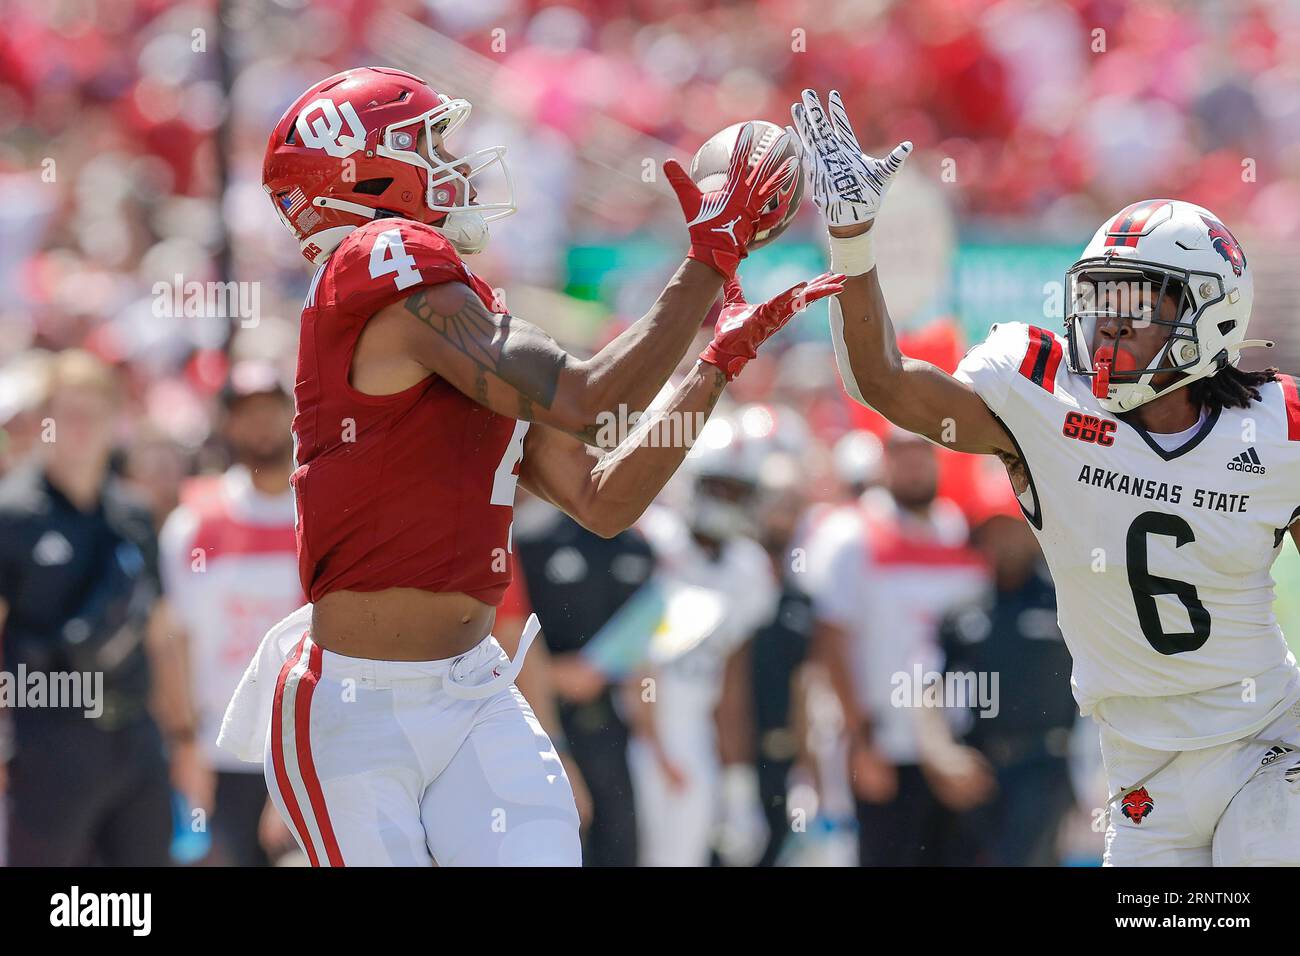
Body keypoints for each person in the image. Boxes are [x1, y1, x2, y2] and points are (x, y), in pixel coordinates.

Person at [217, 66, 841, 866]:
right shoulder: (380, 258)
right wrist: (707, 263)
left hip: (474, 687)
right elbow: (586, 397)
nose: (453, 160)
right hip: (354, 704)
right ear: (363, 172)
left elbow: (601, 499)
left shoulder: (458, 310)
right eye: (427, 143)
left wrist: (715, 363)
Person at [793, 88, 1300, 866]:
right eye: (1099, 301)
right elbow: (883, 384)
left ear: (1213, 314)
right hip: (1142, 775)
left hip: (1266, 741)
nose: (1108, 327)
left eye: (1136, 307)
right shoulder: (1042, 396)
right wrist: (854, 242)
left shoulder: (1277, 426)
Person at [0, 350, 195, 865]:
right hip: (48, 744)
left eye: (95, 413)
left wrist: (184, 740)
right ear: (44, 421)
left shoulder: (133, 514)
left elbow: (161, 634)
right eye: (68, 414)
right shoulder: (11, 515)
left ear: (115, 421)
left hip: (136, 743)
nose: (82, 428)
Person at [807, 427, 990, 865]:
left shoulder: (959, 530)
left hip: (954, 747)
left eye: (923, 454)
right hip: (885, 748)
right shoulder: (850, 534)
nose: (914, 467)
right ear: (884, 464)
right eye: (902, 456)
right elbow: (831, 643)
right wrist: (860, 741)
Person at [159, 362, 303, 866]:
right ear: (227, 424)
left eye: (271, 409)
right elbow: (173, 640)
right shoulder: (194, 522)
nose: (261, 424)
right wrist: (184, 744)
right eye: (247, 413)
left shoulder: (324, 512)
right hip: (222, 751)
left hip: (311, 748)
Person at [628, 410, 780, 866]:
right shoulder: (652, 540)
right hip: (629, 726)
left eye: (737, 491)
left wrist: (739, 786)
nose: (726, 502)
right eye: (718, 487)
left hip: (693, 732)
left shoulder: (750, 570)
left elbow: (732, 684)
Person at [918, 475, 1078, 865]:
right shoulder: (964, 610)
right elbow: (925, 685)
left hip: (1046, 767)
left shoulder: (1069, 602)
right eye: (992, 530)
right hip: (979, 771)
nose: (1003, 541)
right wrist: (940, 752)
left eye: (1011, 527)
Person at [510, 491, 655, 866]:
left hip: (609, 729)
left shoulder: (637, 546)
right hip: (532, 726)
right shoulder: (527, 538)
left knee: (618, 846)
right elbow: (499, 635)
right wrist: (552, 675)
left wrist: (655, 739)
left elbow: (643, 651)